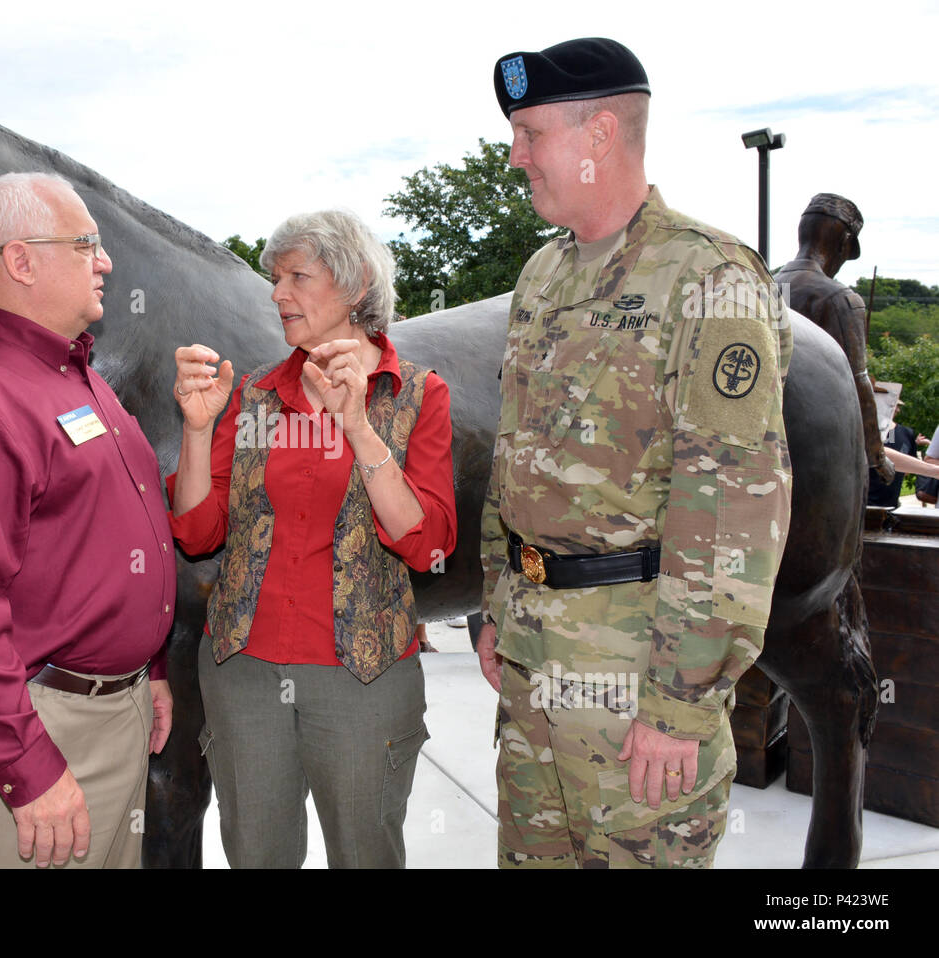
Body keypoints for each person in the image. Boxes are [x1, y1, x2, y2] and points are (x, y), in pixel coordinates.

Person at [479, 38, 792, 868]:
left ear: (599, 135)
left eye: (529, 134)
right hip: (529, 661)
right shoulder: (540, 277)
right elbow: (513, 458)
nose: (516, 157)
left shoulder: (710, 278)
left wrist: (681, 704)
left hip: (634, 687)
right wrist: (493, 596)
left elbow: (732, 507)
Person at [0, 171, 175, 869]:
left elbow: (112, 534)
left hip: (116, 711)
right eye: (87, 244)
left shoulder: (73, 375)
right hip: (45, 730)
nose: (106, 262)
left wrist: (150, 667)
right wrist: (25, 766)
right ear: (20, 261)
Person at [169, 209, 456, 868]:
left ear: (355, 286)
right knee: (257, 852)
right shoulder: (253, 397)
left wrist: (358, 426)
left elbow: (429, 542)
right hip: (243, 675)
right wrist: (193, 429)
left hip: (363, 681)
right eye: (276, 278)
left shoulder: (416, 394)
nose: (277, 293)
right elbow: (196, 529)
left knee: (365, 853)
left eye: (298, 276)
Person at [776, 194, 893, 484]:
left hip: (768, 439)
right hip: (819, 452)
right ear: (844, 243)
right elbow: (857, 380)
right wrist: (877, 456)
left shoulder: (763, 284)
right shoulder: (840, 299)